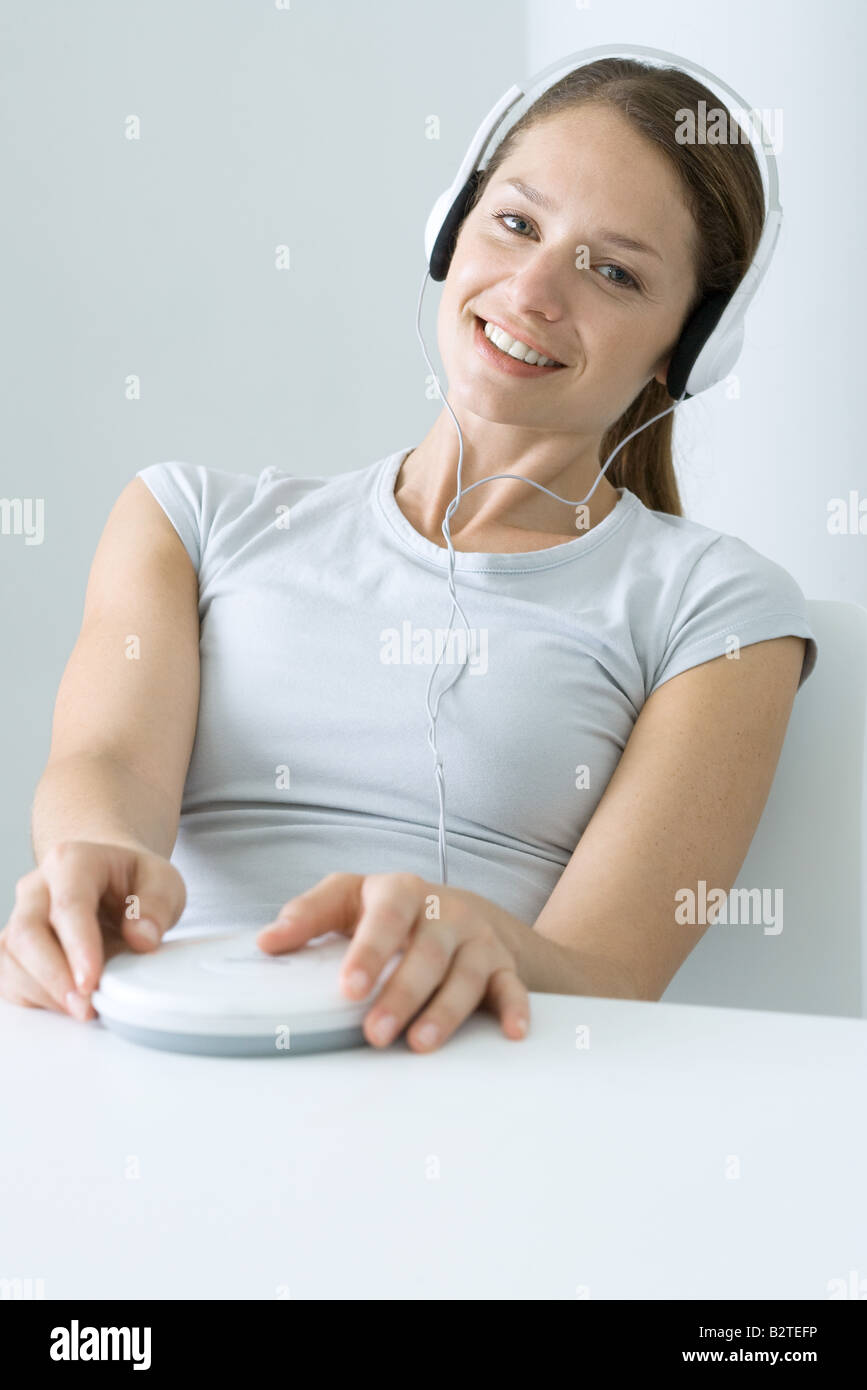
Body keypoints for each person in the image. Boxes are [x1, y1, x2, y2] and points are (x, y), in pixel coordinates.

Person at [0, 58, 817, 1053]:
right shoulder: (188, 518)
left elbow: (612, 975)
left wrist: (480, 939)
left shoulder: (721, 610)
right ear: (452, 227)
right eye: (516, 223)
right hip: (148, 1050)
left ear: (687, 351)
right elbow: (109, 761)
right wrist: (99, 854)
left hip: (453, 1097)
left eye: (615, 271)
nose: (532, 289)